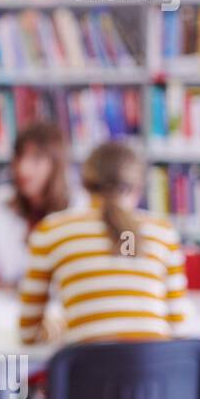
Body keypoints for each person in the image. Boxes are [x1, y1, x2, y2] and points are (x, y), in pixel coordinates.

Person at [18, 141, 188, 344]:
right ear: (138, 188)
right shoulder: (164, 232)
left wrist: (63, 326)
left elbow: (28, 333)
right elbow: (179, 328)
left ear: (84, 183)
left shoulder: (51, 231)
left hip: (85, 371)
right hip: (154, 371)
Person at [0, 121, 85, 302]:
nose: (23, 168)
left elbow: (76, 277)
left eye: (36, 159)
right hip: (7, 314)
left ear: (56, 165)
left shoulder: (80, 208)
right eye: (19, 157)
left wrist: (16, 285)